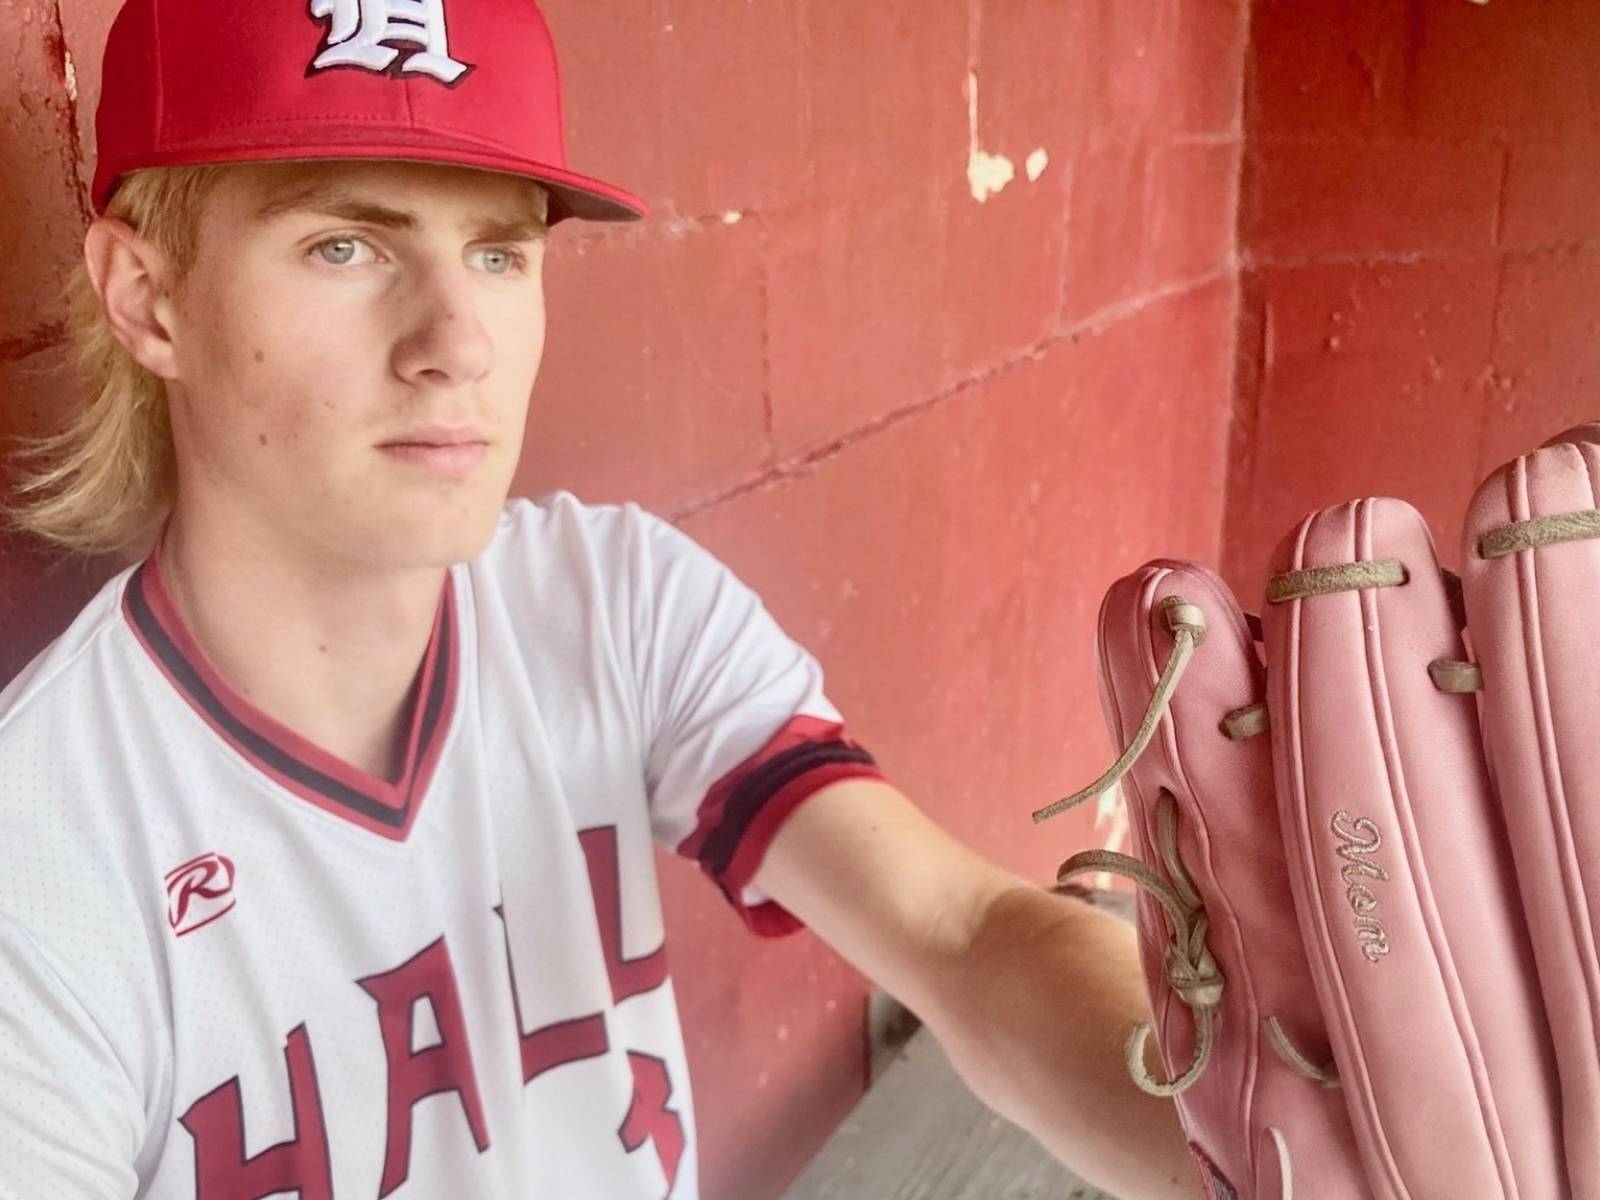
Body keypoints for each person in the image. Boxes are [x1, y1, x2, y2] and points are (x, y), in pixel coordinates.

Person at [0, 1, 1196, 1197]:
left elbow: (961, 933)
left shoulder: (615, 602)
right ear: (149, 298)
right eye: (345, 246)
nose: (456, 343)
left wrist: (1252, 1147)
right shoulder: (42, 858)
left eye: (498, 253)